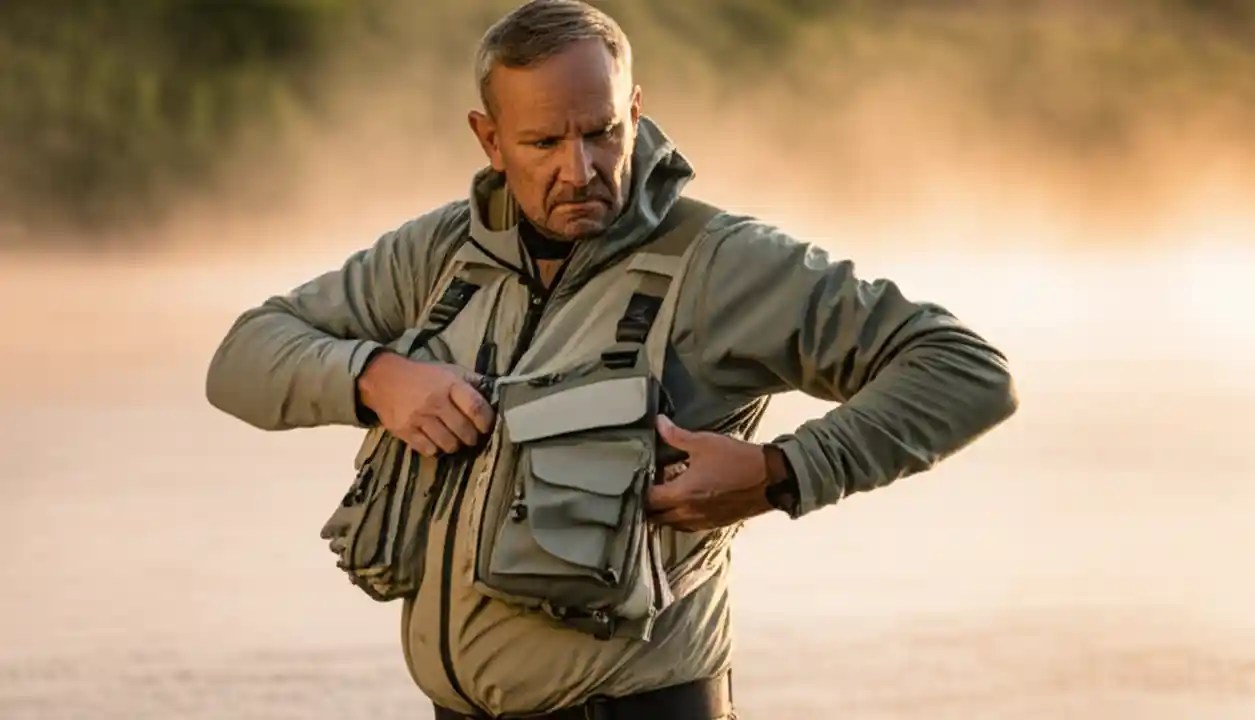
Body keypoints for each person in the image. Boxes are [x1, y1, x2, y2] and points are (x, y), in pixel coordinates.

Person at [205, 1, 1019, 718]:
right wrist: (376, 379)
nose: (581, 168)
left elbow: (965, 369)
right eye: (543, 141)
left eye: (602, 132)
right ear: (489, 139)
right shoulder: (439, 254)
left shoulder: (723, 265)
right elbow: (243, 356)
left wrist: (783, 472)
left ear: (635, 109)